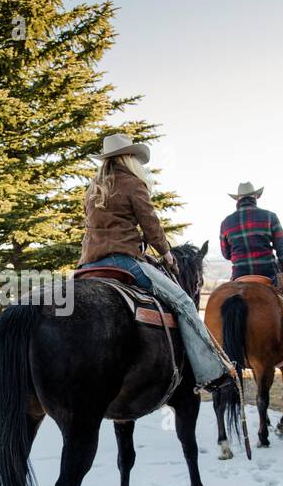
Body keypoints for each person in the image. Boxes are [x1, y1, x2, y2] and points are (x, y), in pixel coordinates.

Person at [76, 133, 238, 392]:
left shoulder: (93, 188)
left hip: (88, 264)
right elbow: (151, 226)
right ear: (128, 158)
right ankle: (210, 373)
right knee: (184, 303)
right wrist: (166, 254)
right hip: (123, 260)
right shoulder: (133, 183)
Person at [218, 182, 283, 363]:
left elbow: (226, 254)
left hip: (239, 277)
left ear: (238, 199)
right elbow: (282, 248)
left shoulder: (226, 223)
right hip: (268, 275)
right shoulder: (269, 217)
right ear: (255, 197)